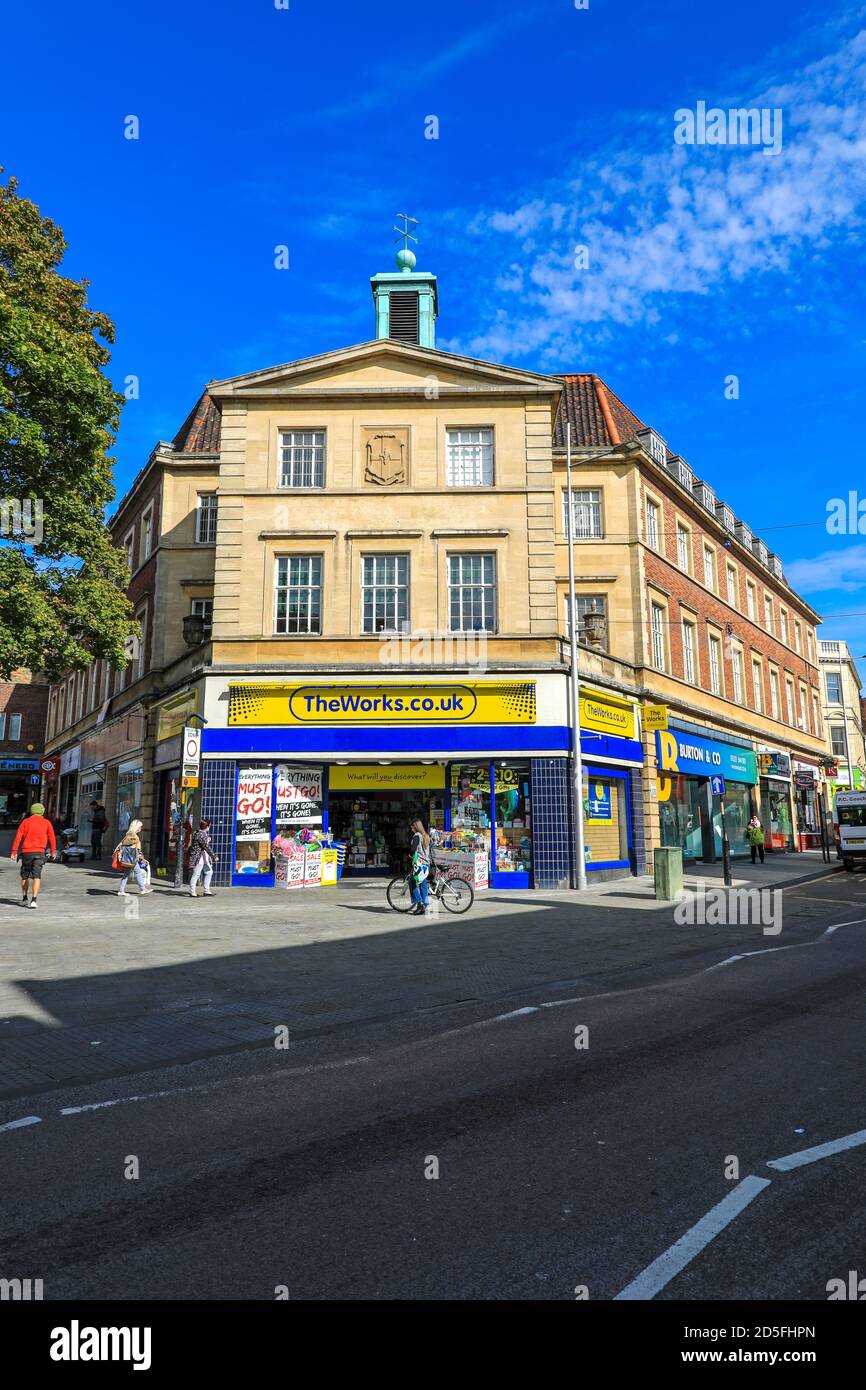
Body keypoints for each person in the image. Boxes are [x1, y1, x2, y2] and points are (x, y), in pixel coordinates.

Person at [11, 802, 56, 909]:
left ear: (32, 811)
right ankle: (34, 900)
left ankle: (25, 898)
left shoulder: (25, 822)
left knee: (24, 876)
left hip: (27, 852)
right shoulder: (47, 823)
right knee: (37, 876)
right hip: (40, 852)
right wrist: (53, 852)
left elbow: (18, 836)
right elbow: (52, 838)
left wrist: (14, 851)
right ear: (42, 812)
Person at [114, 819, 154, 897]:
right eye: (140, 827)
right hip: (131, 858)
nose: (140, 829)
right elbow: (132, 847)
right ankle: (142, 889)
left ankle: (121, 890)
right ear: (136, 827)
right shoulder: (133, 835)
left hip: (129, 858)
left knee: (126, 874)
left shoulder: (130, 834)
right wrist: (140, 856)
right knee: (138, 872)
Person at [188, 818, 217, 898]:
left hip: (204, 857)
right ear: (207, 826)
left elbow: (202, 842)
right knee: (196, 875)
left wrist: (207, 839)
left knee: (209, 872)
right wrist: (214, 857)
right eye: (209, 825)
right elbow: (206, 847)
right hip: (199, 858)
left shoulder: (197, 832)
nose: (210, 827)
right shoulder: (201, 834)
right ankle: (192, 892)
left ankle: (206, 890)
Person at [408, 818, 431, 915]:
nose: (411, 829)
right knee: (423, 885)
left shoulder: (417, 836)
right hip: (426, 864)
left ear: (415, 827)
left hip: (420, 864)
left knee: (411, 882)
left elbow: (413, 849)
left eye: (412, 827)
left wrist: (410, 855)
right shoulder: (426, 835)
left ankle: (419, 903)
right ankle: (424, 906)